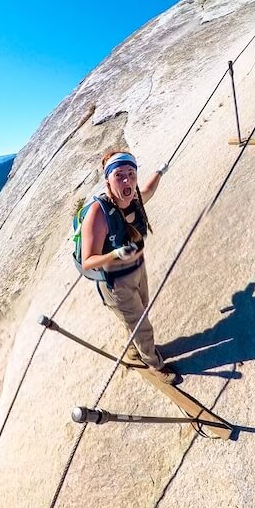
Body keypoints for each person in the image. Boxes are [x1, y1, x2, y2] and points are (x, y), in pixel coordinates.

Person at [80, 149, 177, 383]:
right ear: (108, 179)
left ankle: (134, 350)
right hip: (116, 283)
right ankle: (155, 365)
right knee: (142, 325)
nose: (127, 181)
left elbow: (148, 191)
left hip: (137, 269)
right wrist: (114, 254)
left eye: (131, 174)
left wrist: (159, 172)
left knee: (140, 311)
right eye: (119, 175)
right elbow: (87, 261)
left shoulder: (133, 200)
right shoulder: (98, 213)